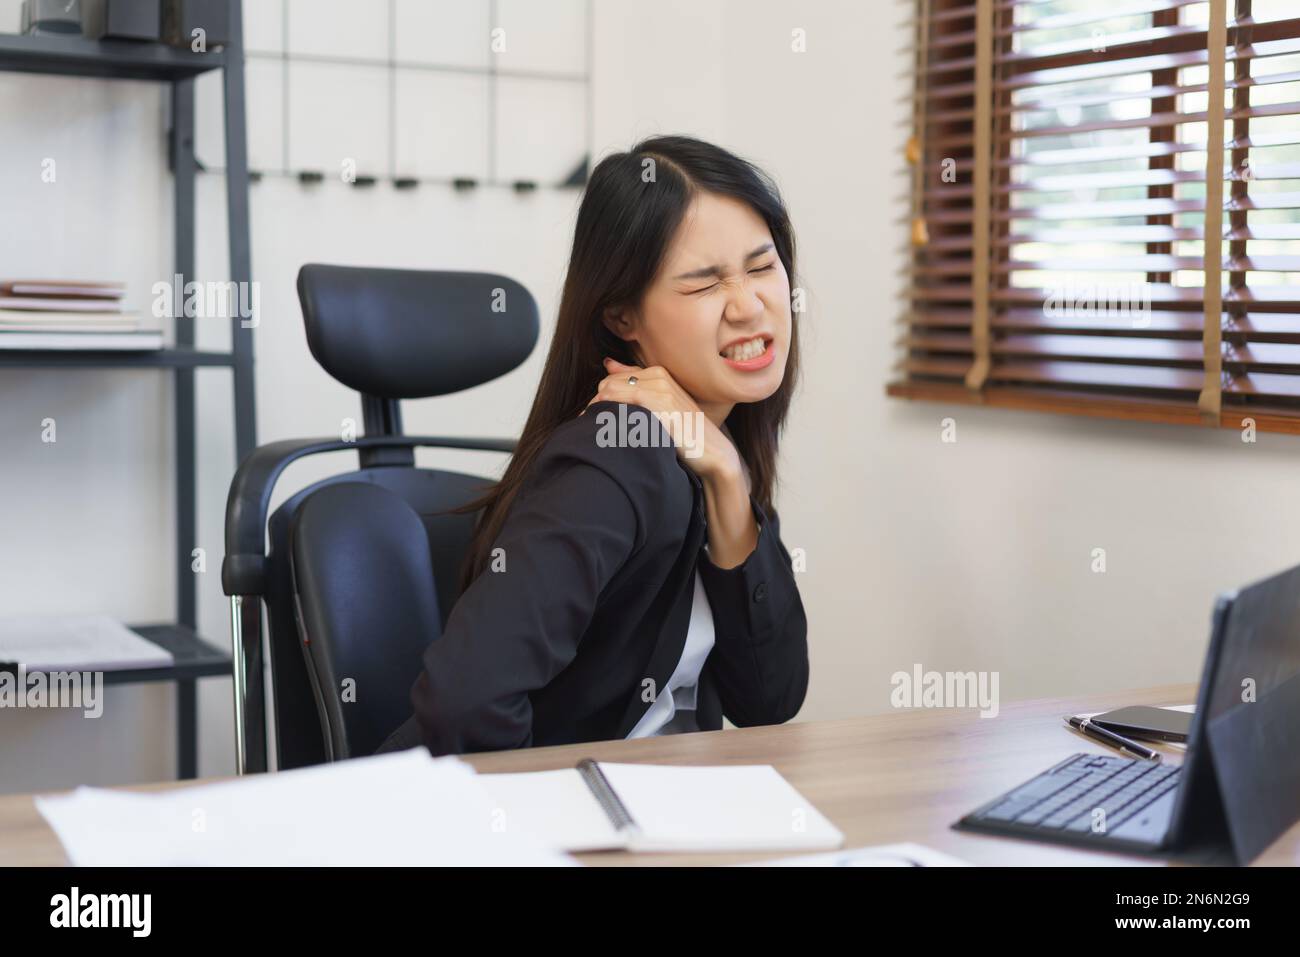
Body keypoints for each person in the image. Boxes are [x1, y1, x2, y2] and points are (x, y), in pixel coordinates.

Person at [379, 134, 807, 756]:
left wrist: (728, 478)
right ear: (622, 318)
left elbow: (770, 700)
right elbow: (464, 705)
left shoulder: (711, 456)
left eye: (762, 266)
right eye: (704, 284)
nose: (749, 305)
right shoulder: (613, 463)